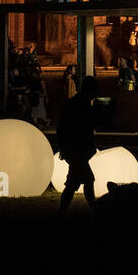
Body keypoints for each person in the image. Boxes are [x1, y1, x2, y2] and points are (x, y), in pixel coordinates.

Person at [56, 76, 99, 218]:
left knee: (79, 181)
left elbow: (62, 127)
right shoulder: (81, 105)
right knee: (80, 181)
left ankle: (64, 212)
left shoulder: (75, 103)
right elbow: (81, 128)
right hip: (77, 150)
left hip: (74, 149)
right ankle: (93, 210)